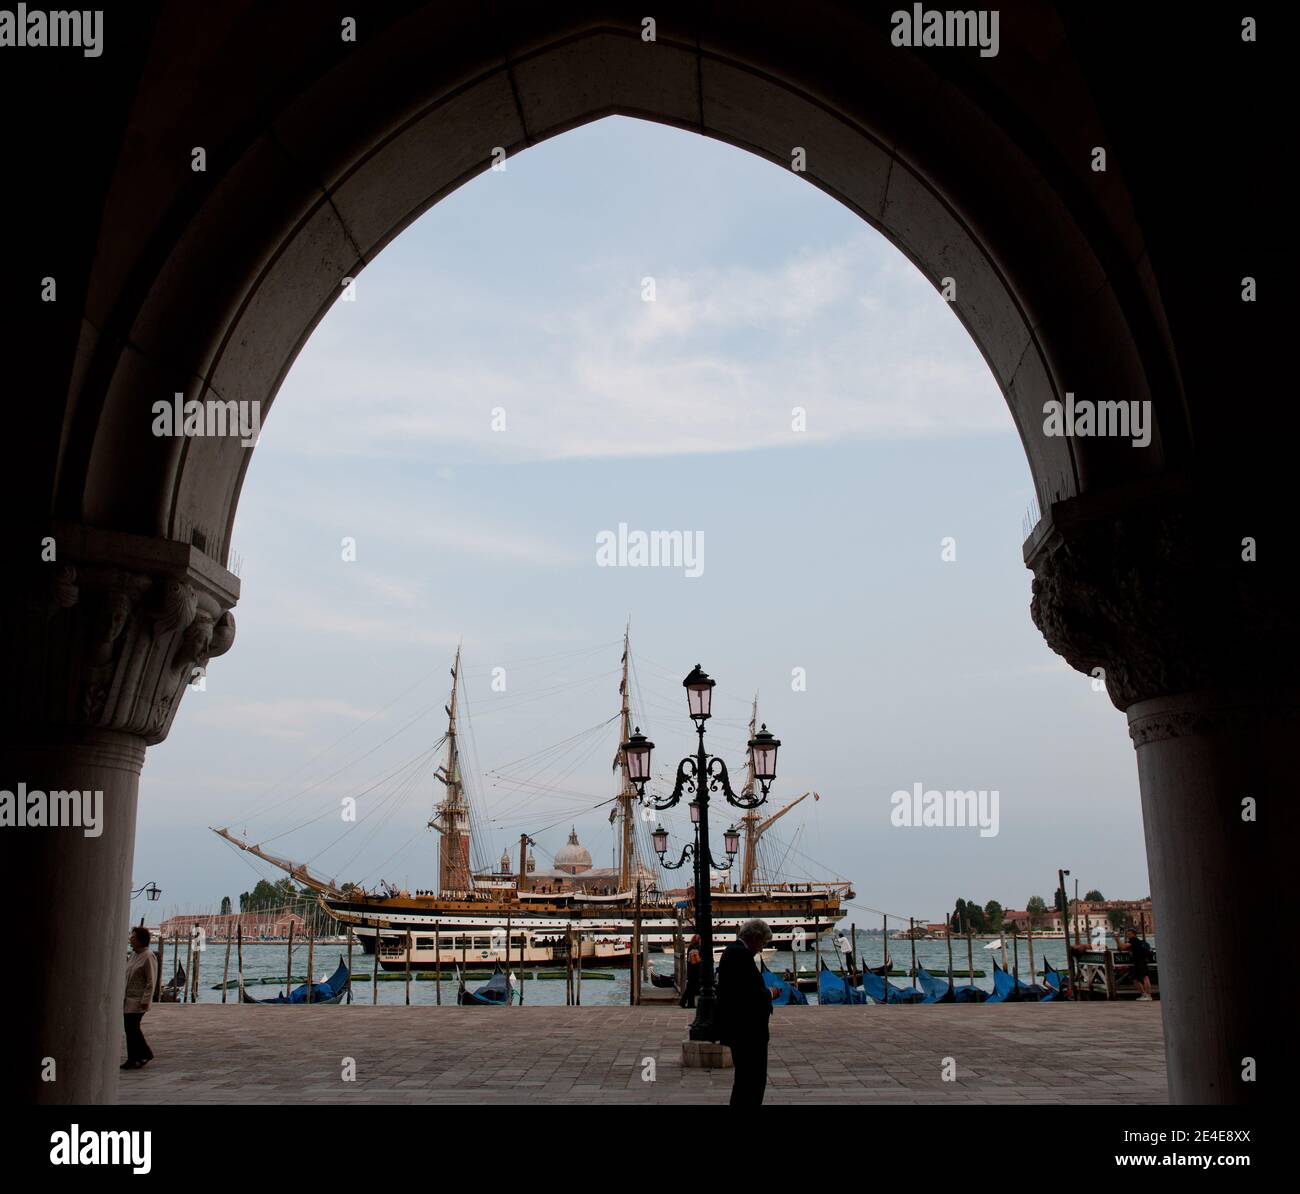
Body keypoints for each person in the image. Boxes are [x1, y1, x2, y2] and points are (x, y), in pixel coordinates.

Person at [715, 919, 776, 1105]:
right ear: (755, 938)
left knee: (744, 1081)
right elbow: (751, 995)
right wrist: (771, 993)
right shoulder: (741, 955)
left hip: (739, 1030)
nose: (761, 949)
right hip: (748, 1032)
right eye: (763, 944)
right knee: (753, 1081)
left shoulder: (733, 951)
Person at [122, 926, 158, 1070]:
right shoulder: (133, 955)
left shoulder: (149, 956)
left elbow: (151, 980)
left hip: (138, 1000)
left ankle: (140, 1055)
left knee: (132, 1028)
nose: (130, 938)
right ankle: (138, 1056)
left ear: (140, 940)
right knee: (130, 1028)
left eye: (133, 937)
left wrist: (146, 1000)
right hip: (128, 999)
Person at [1125, 930, 1155, 999]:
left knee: (1144, 977)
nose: (1127, 935)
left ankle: (1148, 995)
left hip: (1140, 961)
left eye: (1129, 934)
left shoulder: (1133, 940)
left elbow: (1123, 947)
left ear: (1134, 934)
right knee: (1135, 978)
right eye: (1127, 934)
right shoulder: (1139, 942)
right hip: (1140, 961)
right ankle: (1145, 994)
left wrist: (1117, 939)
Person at [680, 933, 702, 1008]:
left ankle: (689, 1003)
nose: (700, 941)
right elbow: (695, 961)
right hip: (694, 971)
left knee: (691, 988)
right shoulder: (694, 948)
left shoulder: (691, 947)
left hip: (691, 971)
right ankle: (684, 1001)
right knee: (691, 988)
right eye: (700, 939)